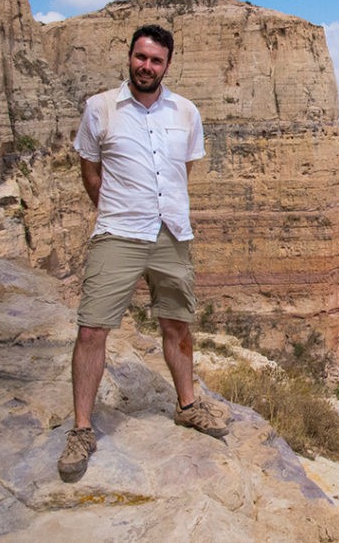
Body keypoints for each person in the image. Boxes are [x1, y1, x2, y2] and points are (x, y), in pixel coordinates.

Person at [57, 24, 229, 483]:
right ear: (129, 57)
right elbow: (89, 170)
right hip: (118, 231)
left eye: (155, 60)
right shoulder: (101, 109)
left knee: (178, 323)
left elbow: (182, 170)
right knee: (92, 329)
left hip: (171, 231)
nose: (146, 66)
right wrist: (117, 209)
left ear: (167, 65)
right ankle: (80, 429)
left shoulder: (186, 112)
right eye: (140, 57)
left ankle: (187, 405)